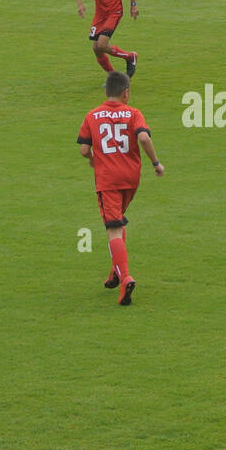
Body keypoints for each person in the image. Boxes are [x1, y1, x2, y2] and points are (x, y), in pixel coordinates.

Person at [76, 71, 163, 306]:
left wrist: (95, 161)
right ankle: (115, 271)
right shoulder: (134, 113)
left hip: (108, 180)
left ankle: (125, 278)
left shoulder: (92, 115)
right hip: (131, 179)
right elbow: (143, 139)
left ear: (106, 92)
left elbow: (84, 150)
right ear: (126, 93)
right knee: (118, 220)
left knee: (112, 228)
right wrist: (156, 163)